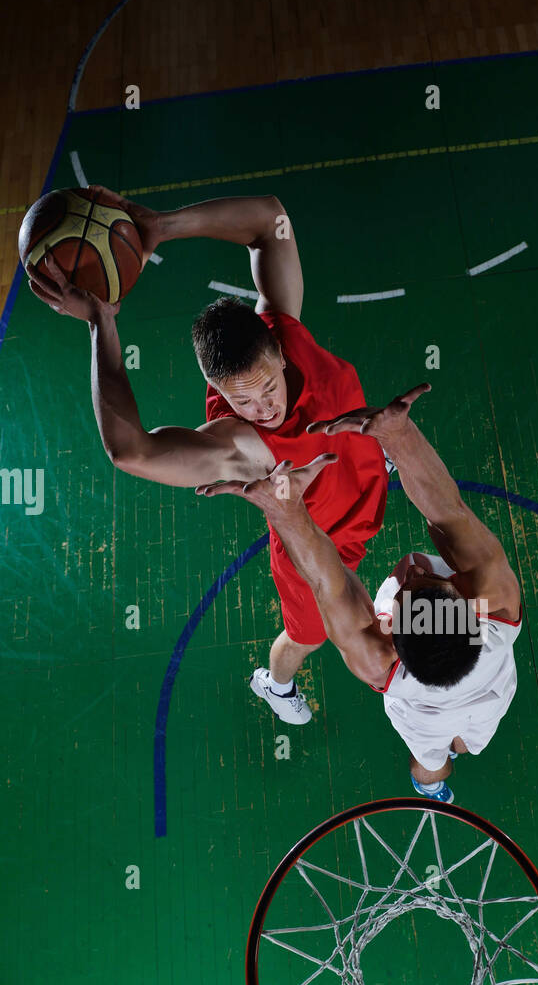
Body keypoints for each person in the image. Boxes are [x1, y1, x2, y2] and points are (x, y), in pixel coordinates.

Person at [26, 188, 387, 725]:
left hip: (362, 480)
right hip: (317, 550)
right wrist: (101, 324)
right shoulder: (240, 446)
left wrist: (160, 227)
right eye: (243, 400)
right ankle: (276, 683)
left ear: (278, 349)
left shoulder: (286, 326)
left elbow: (271, 221)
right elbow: (130, 450)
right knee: (307, 638)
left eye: (268, 389)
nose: (263, 408)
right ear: (219, 390)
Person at [197, 385, 522, 802]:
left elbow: (327, 581)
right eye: (422, 582)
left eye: (408, 589)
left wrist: (288, 510)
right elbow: (448, 510)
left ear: (391, 636)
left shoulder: (379, 663)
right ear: (464, 607)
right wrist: (398, 435)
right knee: (469, 738)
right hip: (492, 695)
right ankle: (455, 752)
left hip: (425, 718)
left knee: (430, 754)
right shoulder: (497, 605)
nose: (415, 571)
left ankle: (432, 782)